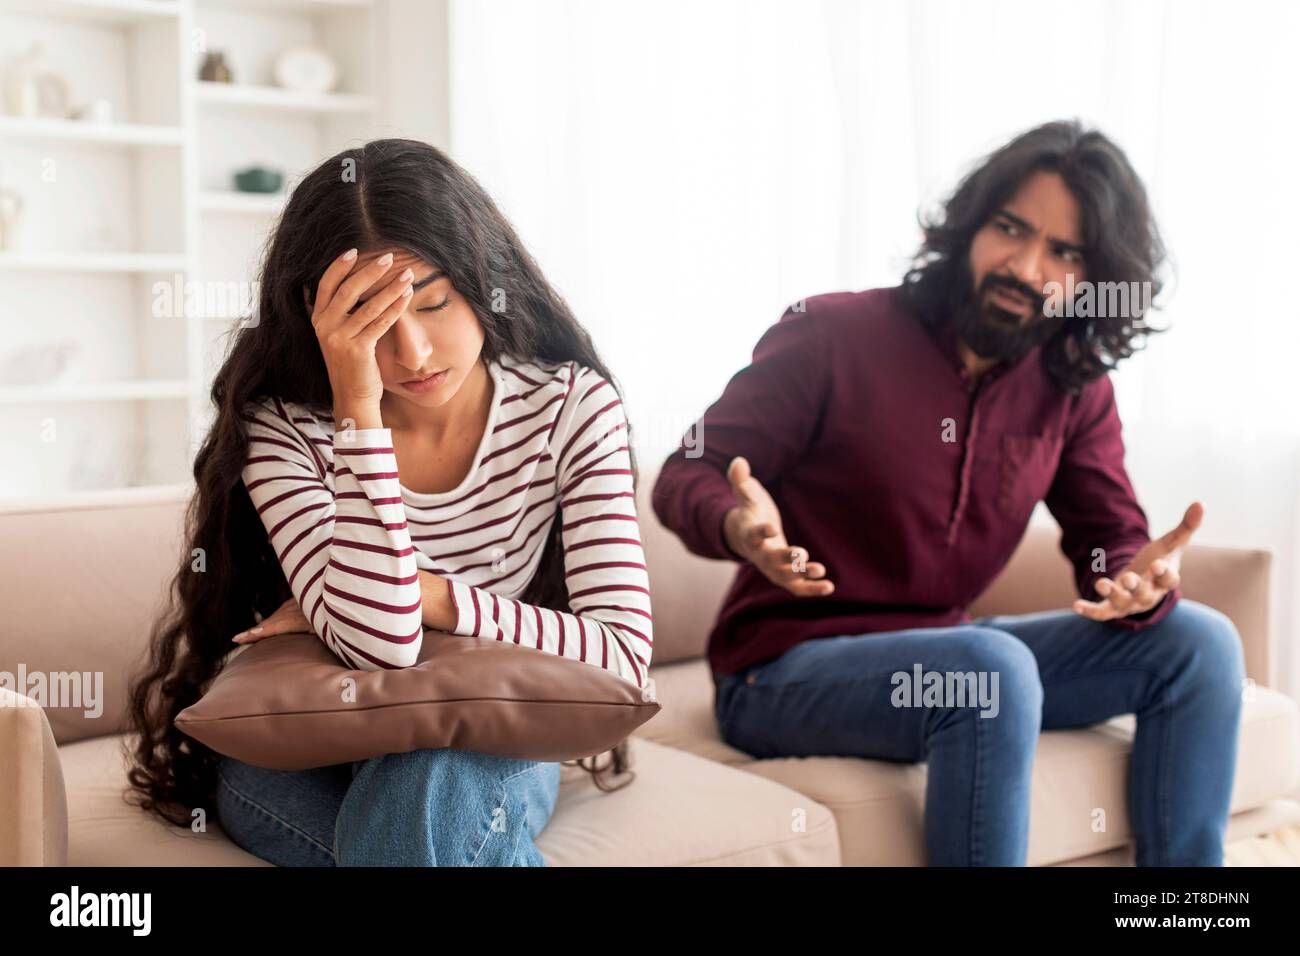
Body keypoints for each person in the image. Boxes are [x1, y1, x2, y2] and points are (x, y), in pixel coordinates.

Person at [652, 120, 1245, 866]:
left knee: (1201, 644)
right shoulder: (833, 334)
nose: (1027, 267)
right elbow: (688, 473)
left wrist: (1135, 576)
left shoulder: (1071, 385)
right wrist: (739, 527)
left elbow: (1106, 535)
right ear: (971, 223)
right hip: (781, 671)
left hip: (947, 652)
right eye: (1011, 228)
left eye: (1064, 252)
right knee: (984, 670)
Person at [126, 138, 653, 866]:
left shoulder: (569, 406)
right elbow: (379, 645)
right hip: (308, 746)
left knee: (432, 769)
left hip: (486, 739)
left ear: (484, 278)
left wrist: (430, 595)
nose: (412, 354)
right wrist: (357, 406)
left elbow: (624, 659)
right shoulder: (284, 428)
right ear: (318, 326)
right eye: (368, 327)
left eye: (432, 304)